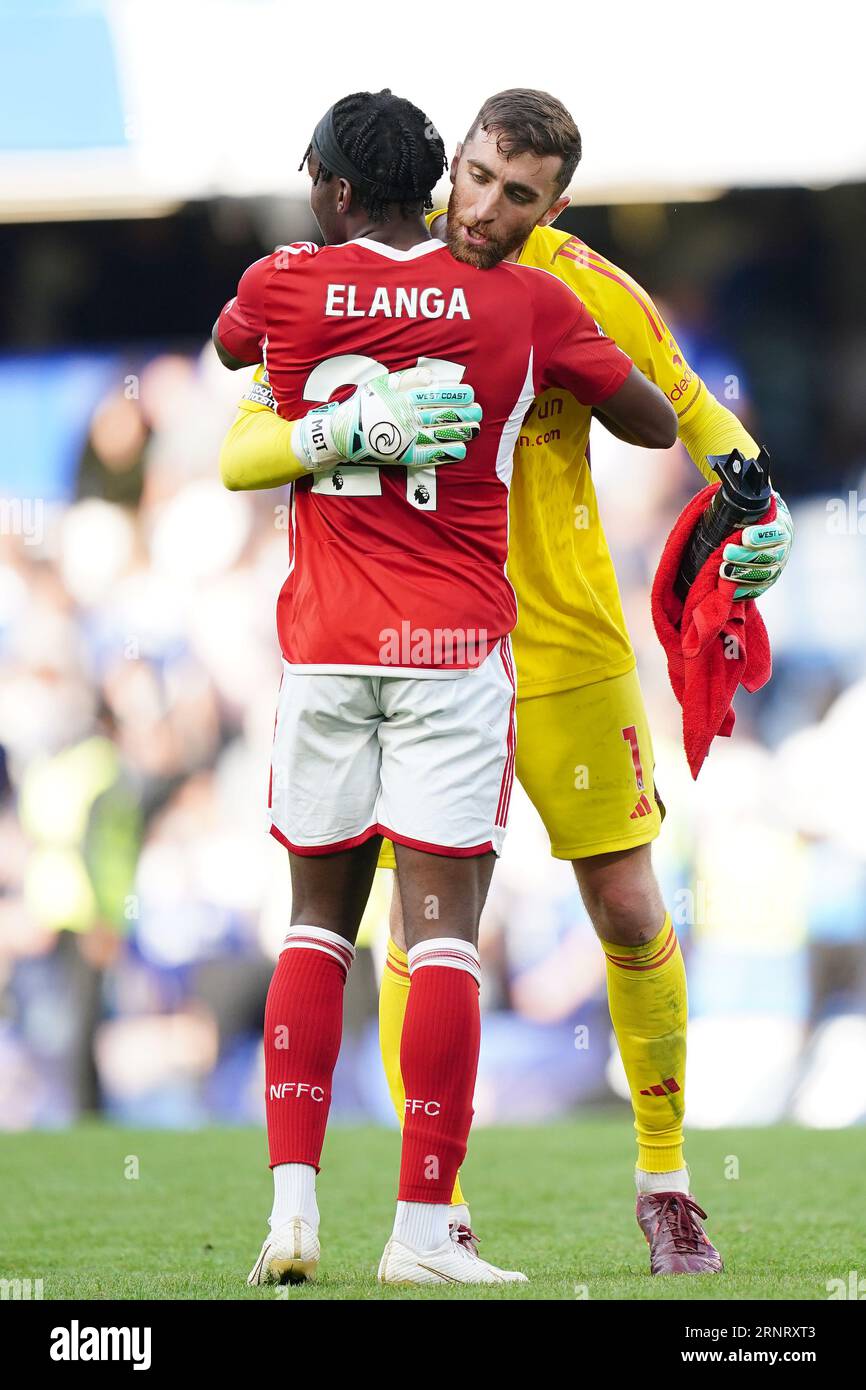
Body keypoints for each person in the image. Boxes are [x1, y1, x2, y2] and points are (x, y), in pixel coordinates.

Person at [218, 88, 794, 1278]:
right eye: (473, 174)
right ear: (457, 158)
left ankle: (664, 1178)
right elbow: (251, 423)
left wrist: (757, 510)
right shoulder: (378, 267)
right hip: (423, 641)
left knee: (627, 907)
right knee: (415, 921)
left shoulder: (572, 287)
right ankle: (443, 1211)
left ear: (555, 204)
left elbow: (690, 414)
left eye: (514, 193)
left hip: (561, 638)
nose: (480, 206)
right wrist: (346, 433)